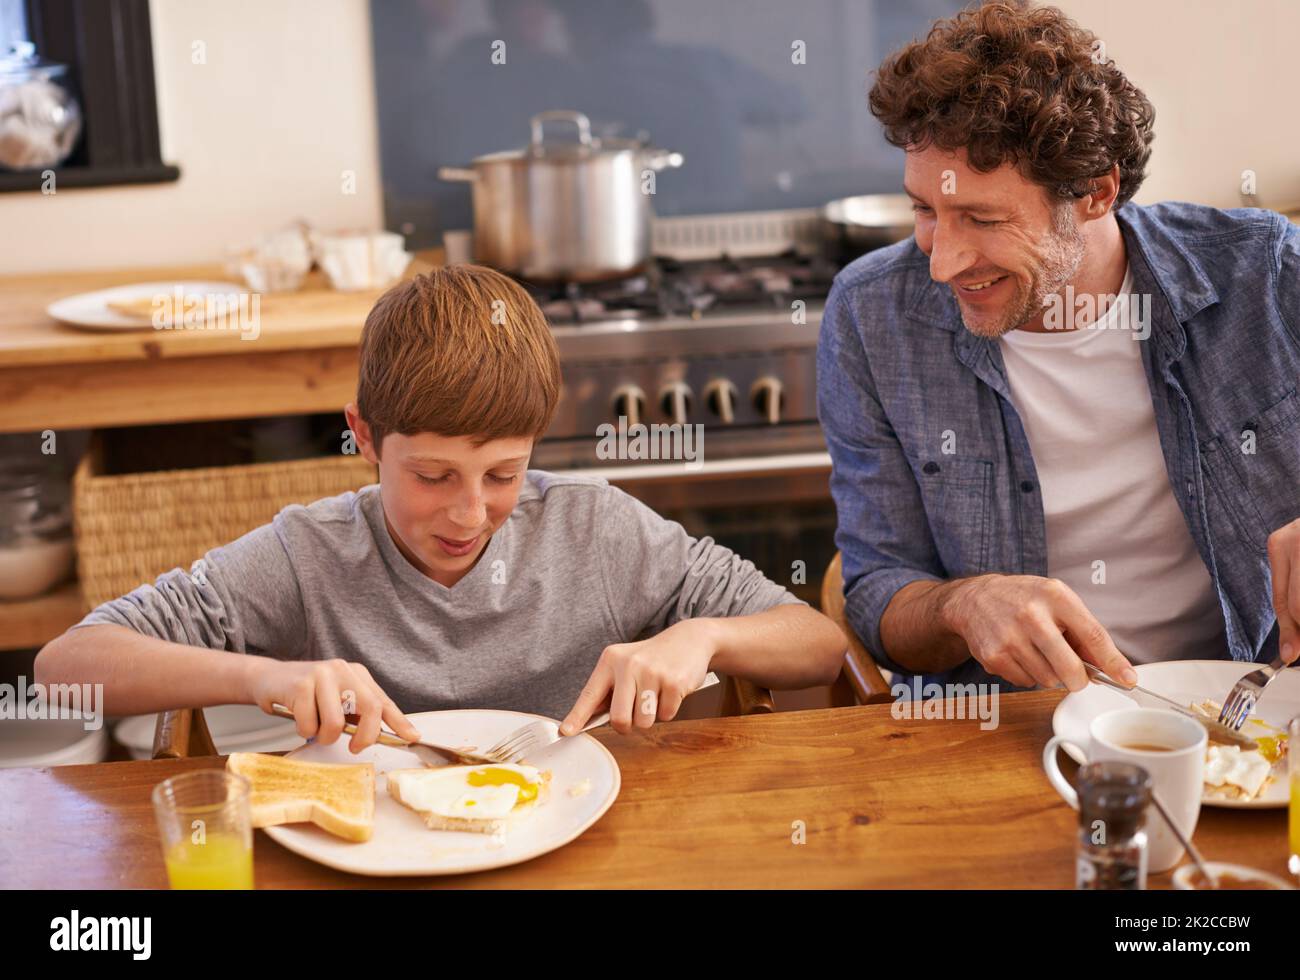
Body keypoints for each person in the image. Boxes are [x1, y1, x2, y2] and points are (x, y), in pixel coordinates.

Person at [37, 265, 846, 750]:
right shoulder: (308, 556)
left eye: (503, 474)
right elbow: (64, 669)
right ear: (362, 437)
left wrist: (702, 635)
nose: (469, 513)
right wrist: (262, 677)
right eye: (432, 475)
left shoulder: (596, 529)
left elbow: (815, 645)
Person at [817, 1, 1300, 695]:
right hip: (1004, 730)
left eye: (982, 219)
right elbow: (876, 594)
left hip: (1249, 716)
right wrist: (961, 604)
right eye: (925, 210)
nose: (942, 262)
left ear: (1097, 193)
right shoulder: (872, 316)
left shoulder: (1266, 273)